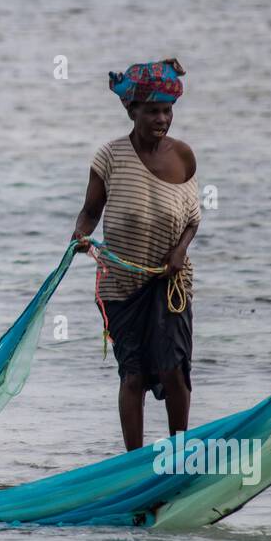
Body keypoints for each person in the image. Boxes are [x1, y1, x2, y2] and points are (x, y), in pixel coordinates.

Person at [71, 58, 200, 451]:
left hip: (170, 280)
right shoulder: (110, 157)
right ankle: (134, 463)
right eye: (153, 111)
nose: (162, 119)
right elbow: (91, 210)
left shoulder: (183, 156)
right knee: (133, 375)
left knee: (172, 367)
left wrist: (179, 251)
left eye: (167, 111)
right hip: (120, 284)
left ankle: (180, 452)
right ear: (132, 112)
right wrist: (80, 234)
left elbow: (193, 218)